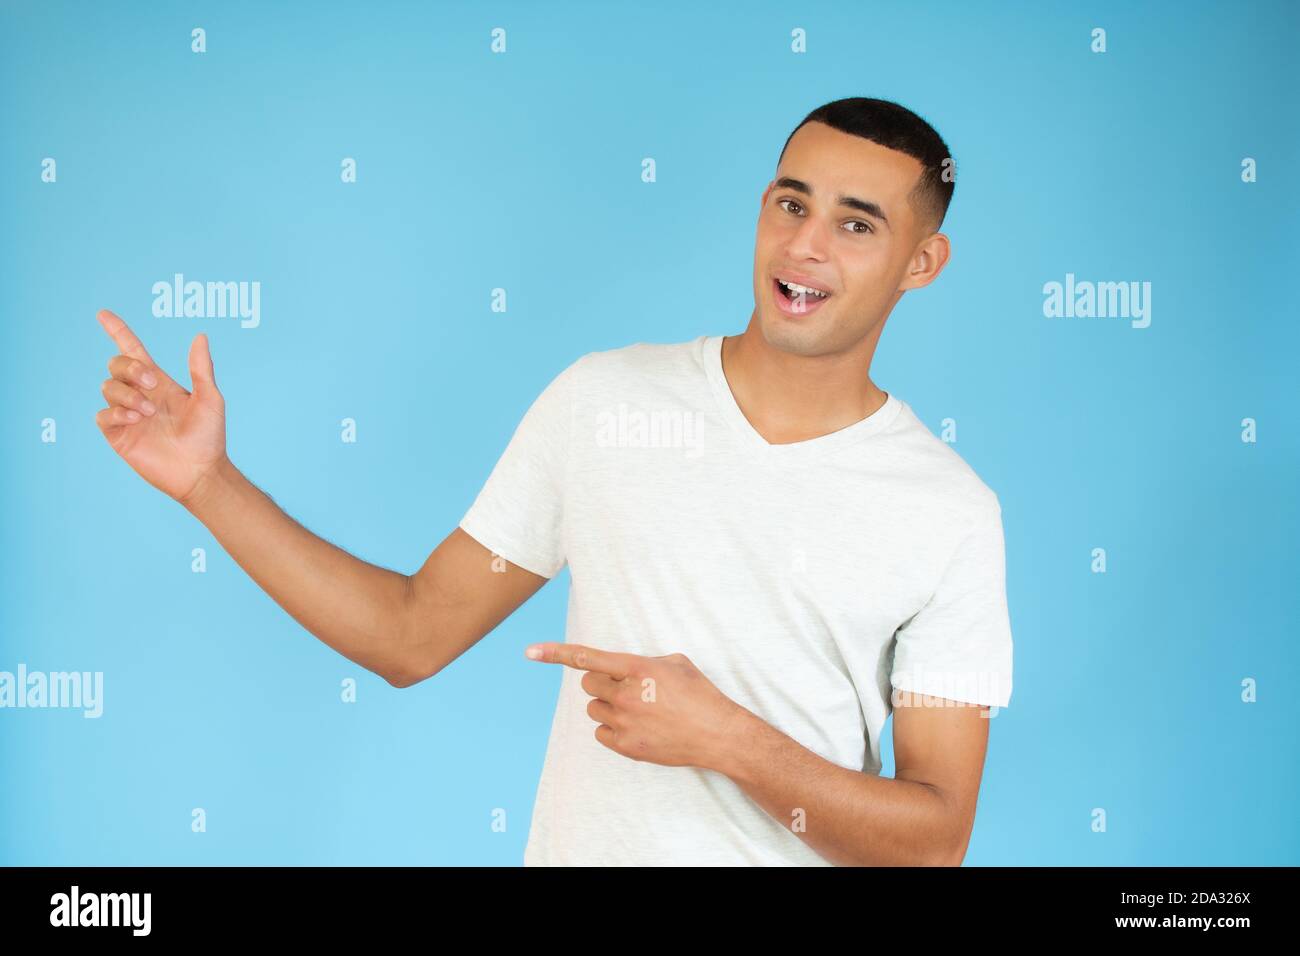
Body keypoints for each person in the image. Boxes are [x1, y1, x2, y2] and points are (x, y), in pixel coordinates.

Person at [95, 96, 1013, 867]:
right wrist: (209, 482)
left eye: (857, 224)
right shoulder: (603, 401)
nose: (806, 246)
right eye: (790, 204)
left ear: (921, 264)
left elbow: (934, 837)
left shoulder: (948, 511)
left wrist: (728, 739)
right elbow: (411, 635)